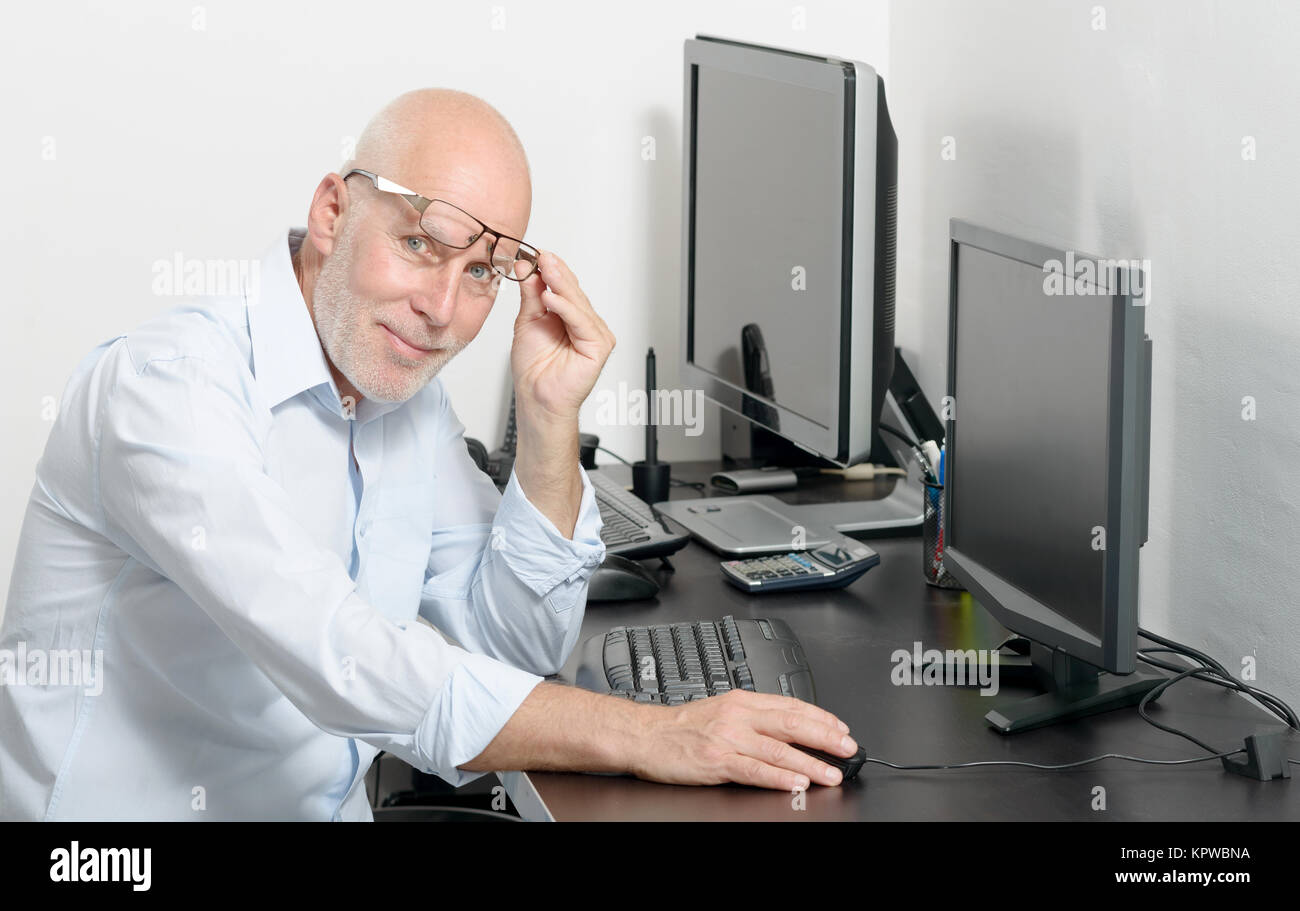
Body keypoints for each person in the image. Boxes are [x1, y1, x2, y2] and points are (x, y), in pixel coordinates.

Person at [0, 89, 857, 821]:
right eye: (419, 244)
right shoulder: (165, 390)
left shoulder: (399, 393)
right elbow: (343, 663)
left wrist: (549, 417)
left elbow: (510, 648)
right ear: (333, 210)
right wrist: (654, 732)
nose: (443, 308)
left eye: (484, 272)